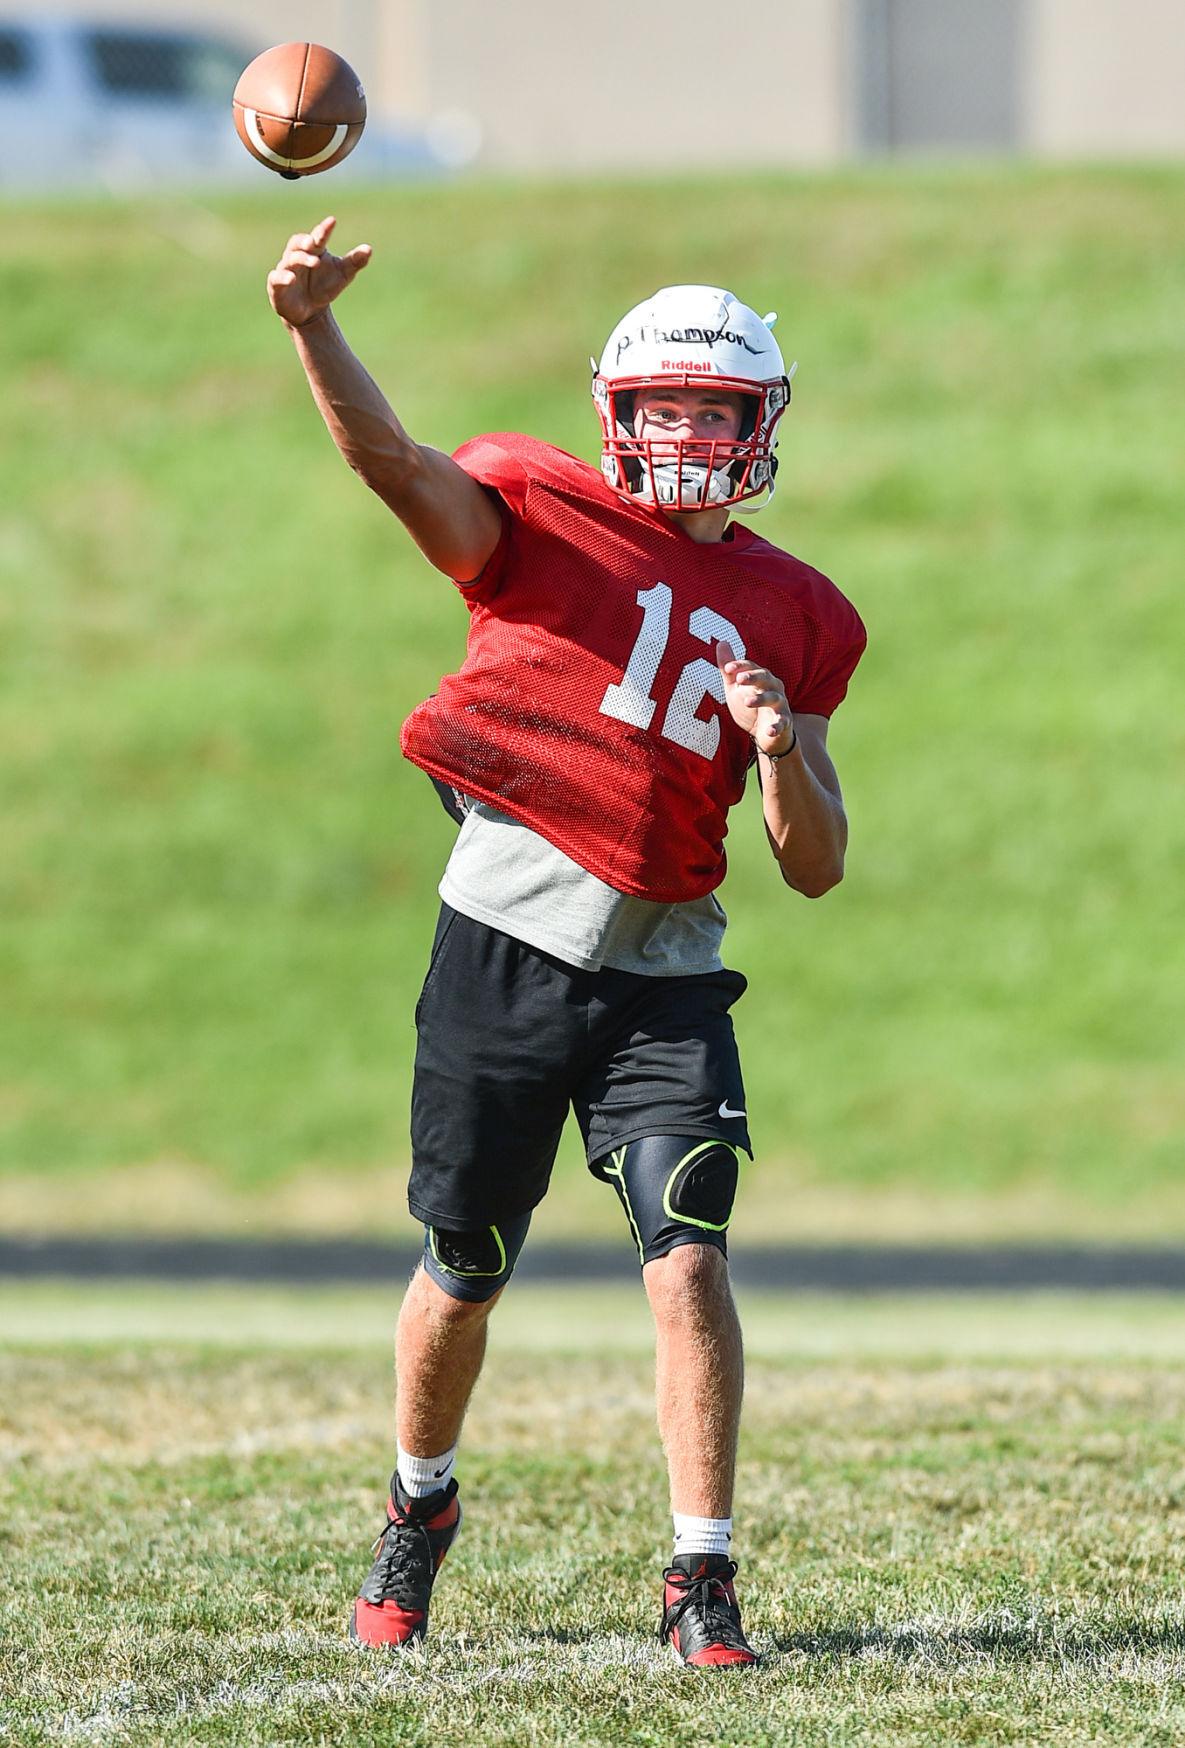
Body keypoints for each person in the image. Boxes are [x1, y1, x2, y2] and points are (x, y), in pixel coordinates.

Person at [267, 216, 866, 1669]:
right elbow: (394, 467)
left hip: (664, 969)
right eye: (662, 406)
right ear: (615, 412)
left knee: (690, 1252)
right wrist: (310, 328)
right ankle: (417, 1505)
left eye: (713, 410)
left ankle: (702, 1575)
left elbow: (814, 866)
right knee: (465, 1260)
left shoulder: (802, 612)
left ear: (758, 423)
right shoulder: (536, 509)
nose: (686, 433)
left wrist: (779, 749)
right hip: (505, 940)